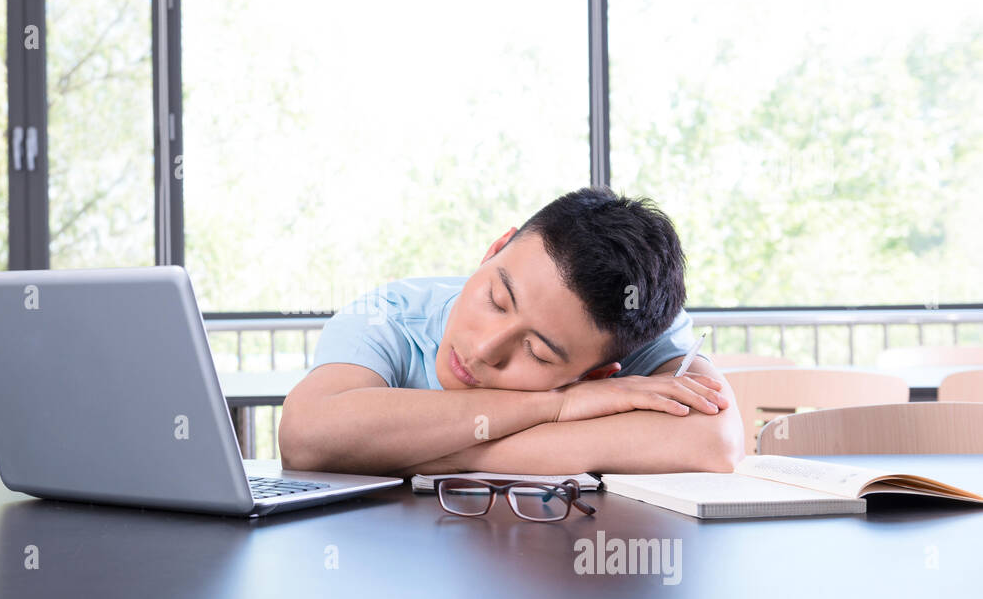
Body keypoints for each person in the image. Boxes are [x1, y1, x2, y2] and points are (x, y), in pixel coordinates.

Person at [278, 187, 744, 477]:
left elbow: (715, 442)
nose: (484, 348)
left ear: (599, 374)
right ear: (495, 249)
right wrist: (555, 405)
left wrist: (425, 454)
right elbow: (306, 437)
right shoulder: (390, 315)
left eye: (538, 353)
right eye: (496, 300)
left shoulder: (632, 323)